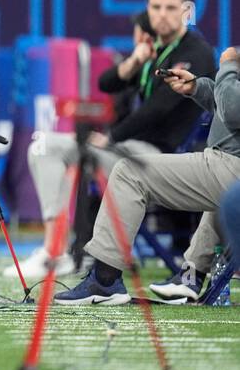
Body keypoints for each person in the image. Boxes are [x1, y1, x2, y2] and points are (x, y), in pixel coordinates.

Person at [21, 0, 215, 282]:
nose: (162, 14)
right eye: (155, 7)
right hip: (125, 150)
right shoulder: (154, 50)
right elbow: (106, 84)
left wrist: (111, 137)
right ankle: (54, 247)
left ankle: (85, 258)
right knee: (43, 147)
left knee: (87, 156)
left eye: (170, 8)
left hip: (158, 157)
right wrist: (135, 61)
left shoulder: (196, 51)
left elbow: (158, 109)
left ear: (186, 11)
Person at [56, 45, 240, 305]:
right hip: (230, 167)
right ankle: (191, 276)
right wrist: (198, 88)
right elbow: (230, 103)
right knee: (220, 198)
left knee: (129, 172)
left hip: (232, 164)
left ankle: (104, 280)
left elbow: (233, 109)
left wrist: (229, 64)